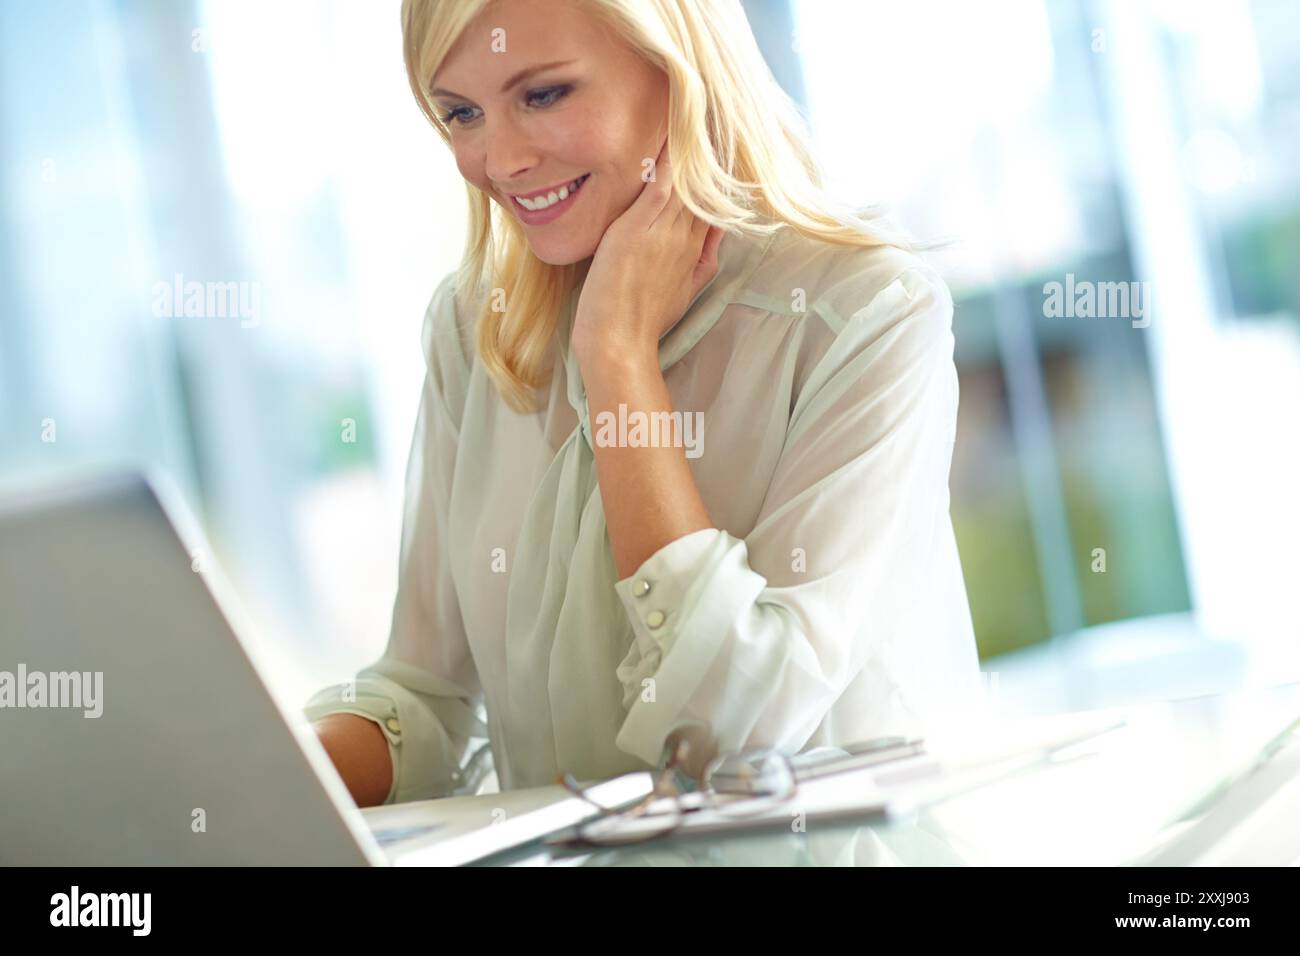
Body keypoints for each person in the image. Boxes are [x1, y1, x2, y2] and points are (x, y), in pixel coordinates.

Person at [307, 0, 980, 808]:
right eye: (461, 113)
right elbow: (427, 696)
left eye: (544, 95)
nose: (502, 160)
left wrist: (619, 360)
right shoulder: (470, 328)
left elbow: (737, 732)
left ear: (675, 69)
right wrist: (253, 781)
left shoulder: (866, 314)